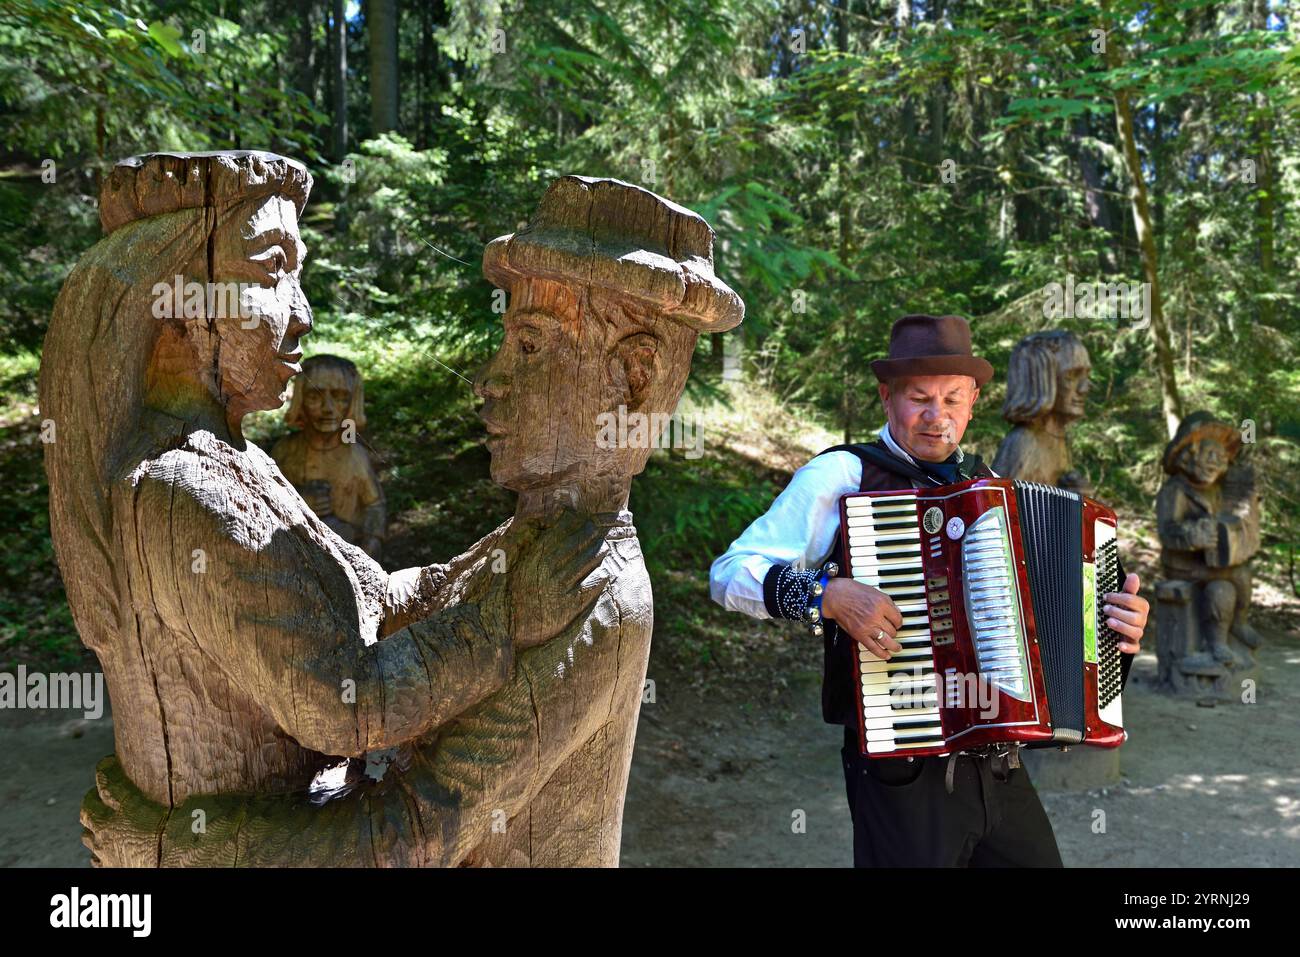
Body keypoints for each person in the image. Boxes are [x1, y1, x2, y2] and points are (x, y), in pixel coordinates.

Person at [710, 313, 1150, 867]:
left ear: (972, 404)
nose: (936, 416)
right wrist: (826, 595)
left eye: (952, 400)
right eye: (919, 398)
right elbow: (730, 572)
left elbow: (1048, 636)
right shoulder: (846, 474)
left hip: (999, 764)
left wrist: (1116, 632)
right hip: (905, 770)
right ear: (886, 397)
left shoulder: (990, 489)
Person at [272, 354, 386, 559]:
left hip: (348, 556)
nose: (328, 409)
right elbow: (264, 501)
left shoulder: (355, 454)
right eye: (314, 397)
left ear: (353, 400)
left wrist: (371, 543)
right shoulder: (285, 451)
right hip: (293, 556)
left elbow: (374, 505)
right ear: (300, 398)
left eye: (340, 397)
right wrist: (298, 502)